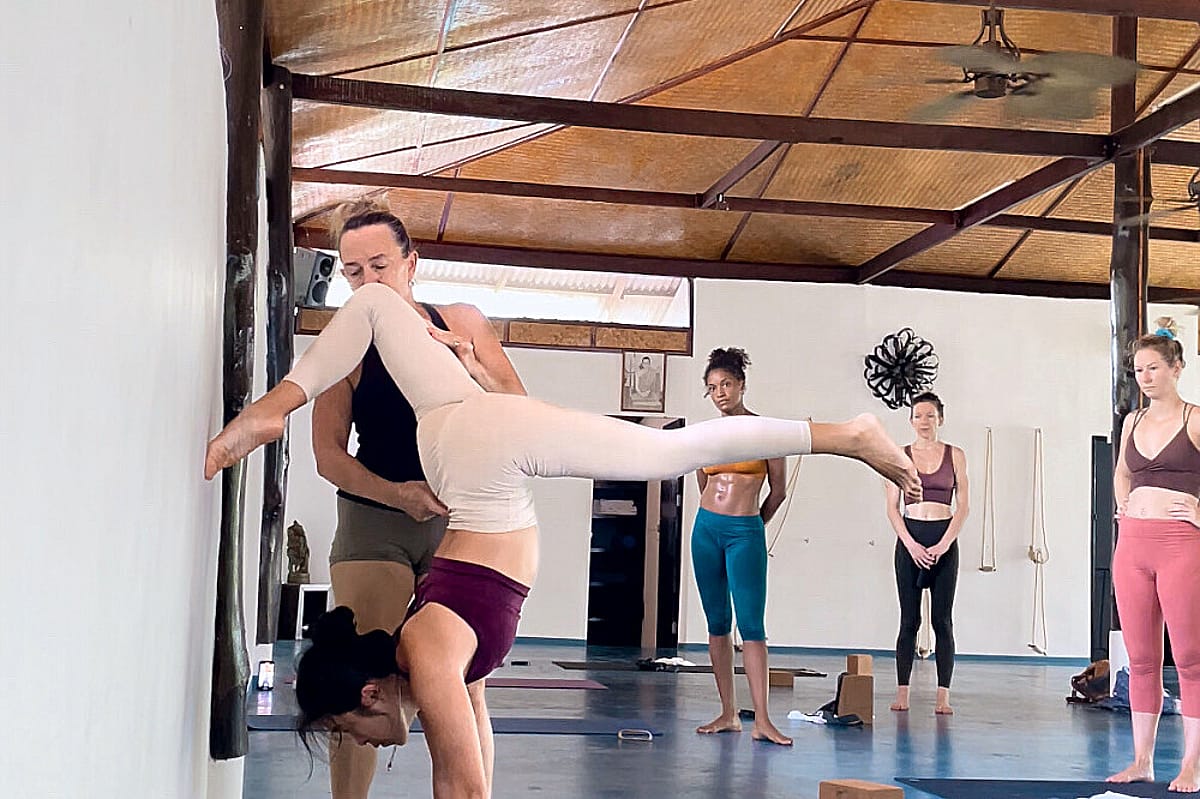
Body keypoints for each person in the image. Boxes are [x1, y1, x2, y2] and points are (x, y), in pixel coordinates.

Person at [205, 281, 921, 798]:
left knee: (669, 454)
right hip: (452, 434)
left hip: (481, 460)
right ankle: (277, 405)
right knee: (371, 306)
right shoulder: (424, 657)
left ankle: (849, 434)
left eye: (347, 728)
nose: (357, 740)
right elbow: (468, 772)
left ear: (369, 693)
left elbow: (460, 785)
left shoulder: (424, 660)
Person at [311, 201, 525, 799]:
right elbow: (329, 457)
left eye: (379, 265)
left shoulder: (460, 319)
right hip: (373, 518)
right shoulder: (345, 343)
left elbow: (515, 405)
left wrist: (468, 362)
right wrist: (398, 494)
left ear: (411, 263)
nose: (367, 281)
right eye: (353, 272)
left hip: (455, 523)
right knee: (358, 681)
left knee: (466, 681)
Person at [1109, 331, 1200, 793]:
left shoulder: (1196, 419)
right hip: (1133, 546)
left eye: (1153, 368)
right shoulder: (1131, 422)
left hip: (1181, 545)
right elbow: (1122, 473)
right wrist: (1124, 508)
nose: (1144, 378)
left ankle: (1191, 765)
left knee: (1190, 659)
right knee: (1142, 659)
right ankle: (1142, 761)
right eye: (1138, 370)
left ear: (1176, 367)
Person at [691, 347, 791, 745]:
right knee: (717, 623)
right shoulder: (707, 434)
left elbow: (778, 491)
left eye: (726, 384)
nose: (720, 393)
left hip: (745, 531)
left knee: (751, 626)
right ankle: (728, 713)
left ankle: (762, 719)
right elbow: (703, 482)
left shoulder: (768, 432)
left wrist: (752, 527)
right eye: (712, 387)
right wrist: (715, 520)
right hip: (706, 530)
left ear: (742, 385)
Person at [883, 391, 969, 716]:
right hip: (911, 540)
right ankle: (902, 692)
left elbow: (964, 507)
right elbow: (892, 509)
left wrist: (944, 543)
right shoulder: (899, 456)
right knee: (909, 620)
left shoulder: (955, 455)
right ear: (911, 420)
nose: (924, 421)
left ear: (940, 419)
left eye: (930, 415)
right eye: (918, 415)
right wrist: (911, 544)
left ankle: (943, 695)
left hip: (943, 539)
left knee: (942, 621)